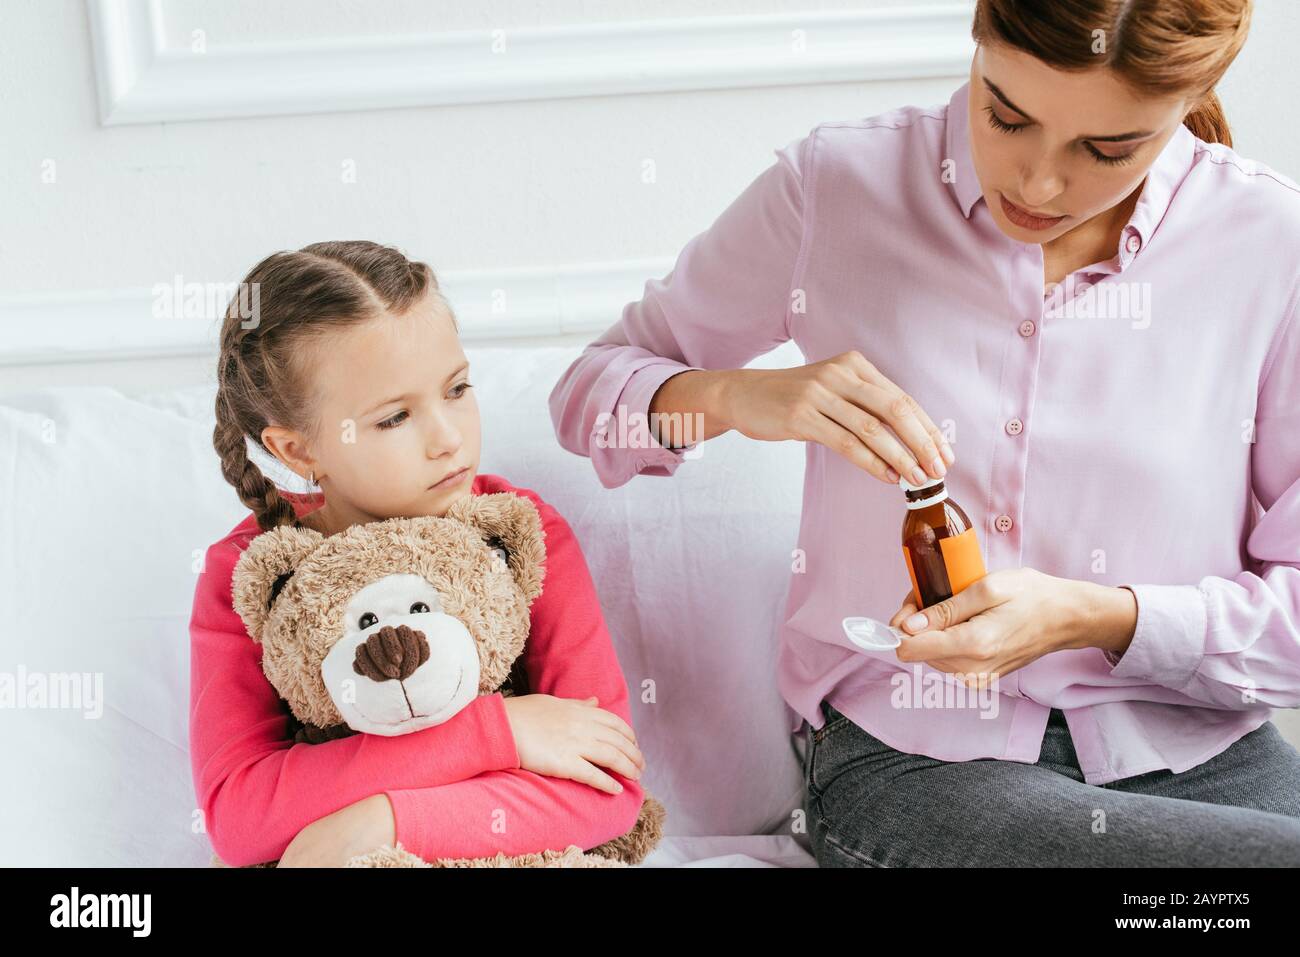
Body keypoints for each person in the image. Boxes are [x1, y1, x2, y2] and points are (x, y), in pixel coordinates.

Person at [550, 0, 1300, 865]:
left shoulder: (1269, 247)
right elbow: (588, 393)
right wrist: (736, 397)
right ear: (977, 44)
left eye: (1108, 149)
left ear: (1192, 95)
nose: (1038, 183)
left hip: (1204, 752)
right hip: (918, 760)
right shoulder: (837, 187)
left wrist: (1100, 616)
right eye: (1006, 115)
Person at [190, 240, 645, 867]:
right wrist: (502, 733)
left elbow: (609, 786)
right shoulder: (250, 572)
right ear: (296, 451)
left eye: (457, 388)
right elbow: (240, 818)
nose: (449, 438)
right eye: (394, 418)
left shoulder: (522, 532)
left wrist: (383, 824)